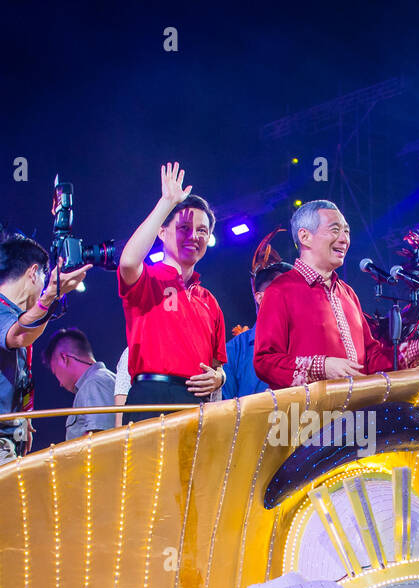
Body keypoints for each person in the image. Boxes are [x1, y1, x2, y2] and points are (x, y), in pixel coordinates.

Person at [253, 200, 419, 388]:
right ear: (305, 237)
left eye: (346, 231)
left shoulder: (347, 293)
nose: (344, 239)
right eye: (335, 230)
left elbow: (372, 360)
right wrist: (322, 367)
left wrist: (418, 348)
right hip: (308, 418)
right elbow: (264, 362)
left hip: (356, 412)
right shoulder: (280, 291)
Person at [0, 235, 89, 480]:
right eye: (43, 277)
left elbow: (27, 333)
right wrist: (50, 295)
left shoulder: (2, 313)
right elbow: (20, 336)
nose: (43, 284)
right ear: (33, 273)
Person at [116, 163, 227, 424]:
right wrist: (167, 202)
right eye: (184, 228)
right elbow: (128, 262)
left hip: (194, 403)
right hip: (150, 398)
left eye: (202, 230)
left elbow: (217, 364)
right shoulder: (148, 279)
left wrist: (219, 378)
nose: (194, 236)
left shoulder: (209, 301)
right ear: (162, 232)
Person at [222, 231, 290, 400]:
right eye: (283, 290)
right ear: (261, 297)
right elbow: (222, 408)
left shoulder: (304, 342)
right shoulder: (234, 350)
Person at [45, 327, 120, 437]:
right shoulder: (101, 380)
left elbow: (98, 440)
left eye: (56, 373)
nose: (60, 384)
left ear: (64, 358)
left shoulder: (94, 383)